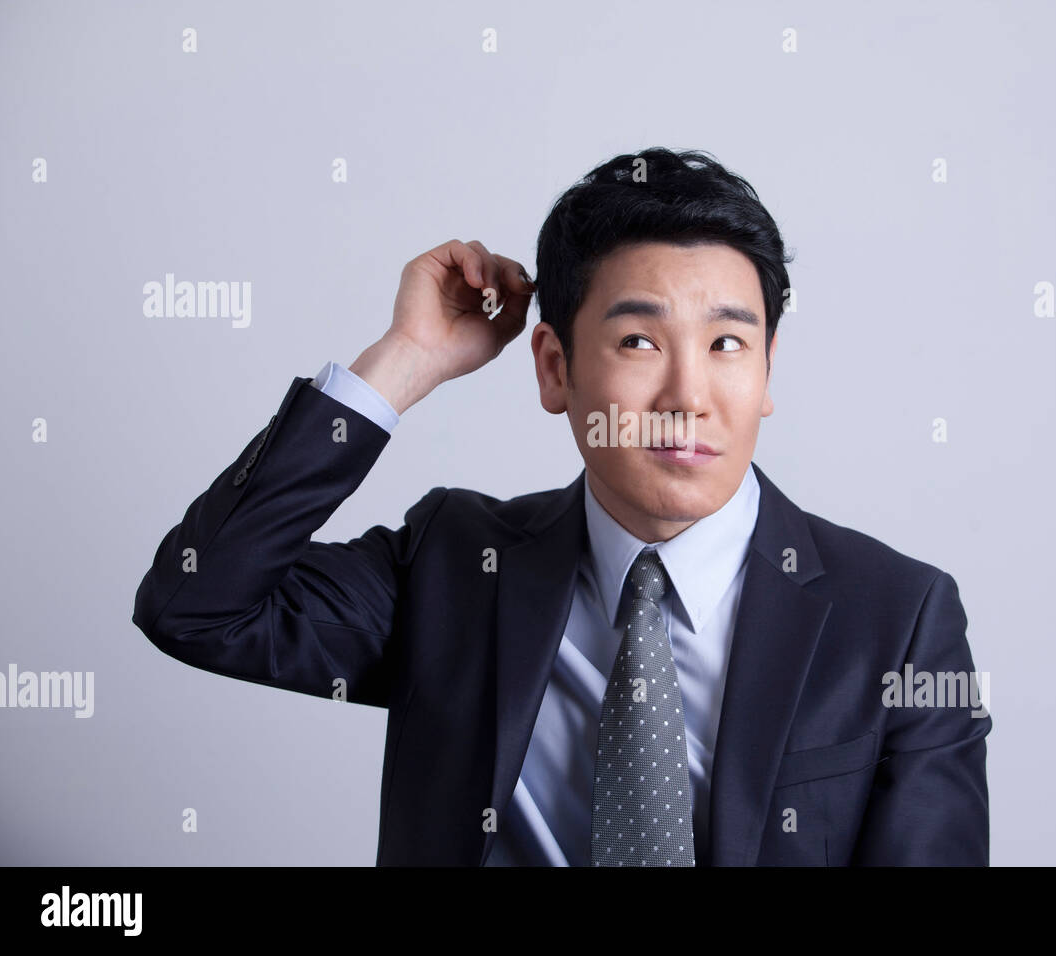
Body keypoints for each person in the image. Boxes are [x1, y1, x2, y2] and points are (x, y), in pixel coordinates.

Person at [132, 147, 991, 866]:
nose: (687, 395)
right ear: (554, 368)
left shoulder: (899, 617)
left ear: (768, 370)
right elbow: (196, 606)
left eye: (729, 343)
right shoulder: (455, 564)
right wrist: (402, 363)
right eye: (638, 341)